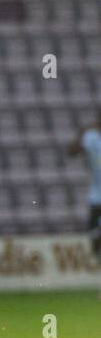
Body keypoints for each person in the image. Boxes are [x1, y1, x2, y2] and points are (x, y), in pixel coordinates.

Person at [67, 109, 101, 258]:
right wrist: (81, 133)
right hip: (97, 194)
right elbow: (72, 152)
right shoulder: (91, 136)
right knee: (94, 236)